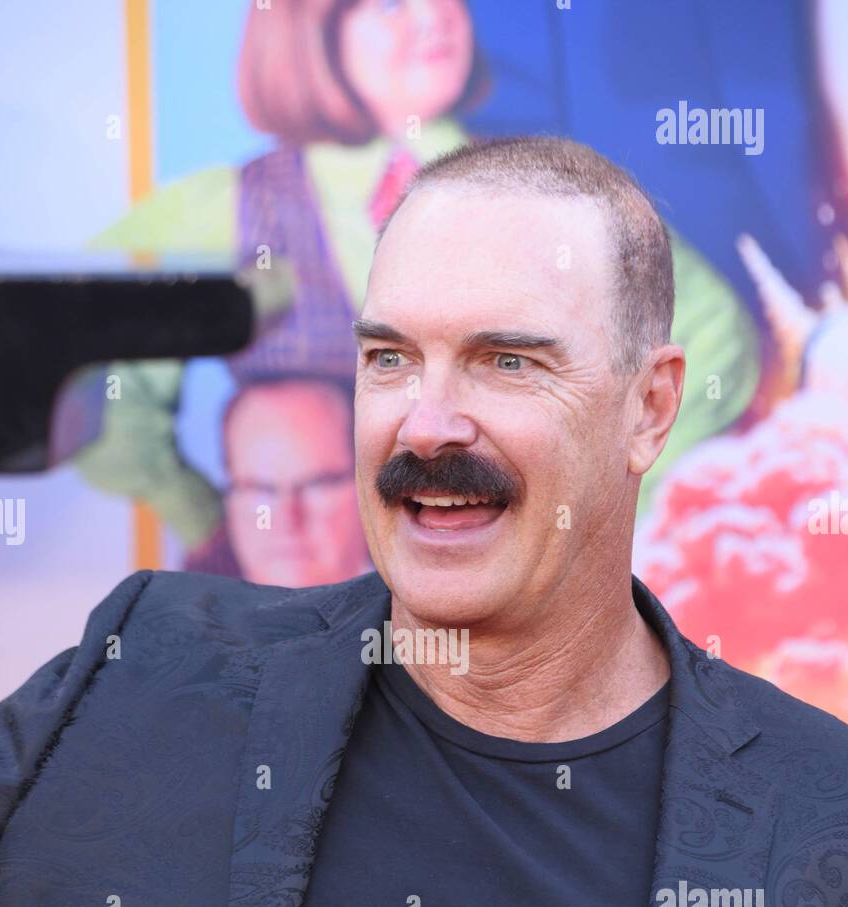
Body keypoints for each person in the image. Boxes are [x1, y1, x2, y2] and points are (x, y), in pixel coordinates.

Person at [0, 135, 846, 907]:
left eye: (504, 362)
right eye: (391, 358)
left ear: (650, 408)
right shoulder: (150, 664)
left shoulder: (819, 820)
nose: (427, 425)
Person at [69, 0, 759, 551]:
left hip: (491, 616)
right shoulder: (230, 209)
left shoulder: (542, 187)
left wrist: (602, 525)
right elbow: (78, 352)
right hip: (307, 620)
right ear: (312, 31)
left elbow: (711, 339)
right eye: (391, 3)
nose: (434, 13)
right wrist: (206, 524)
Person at [185, 376, 371, 586]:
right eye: (260, 489)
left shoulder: (404, 609)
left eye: (317, 485)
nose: (287, 519)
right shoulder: (186, 611)